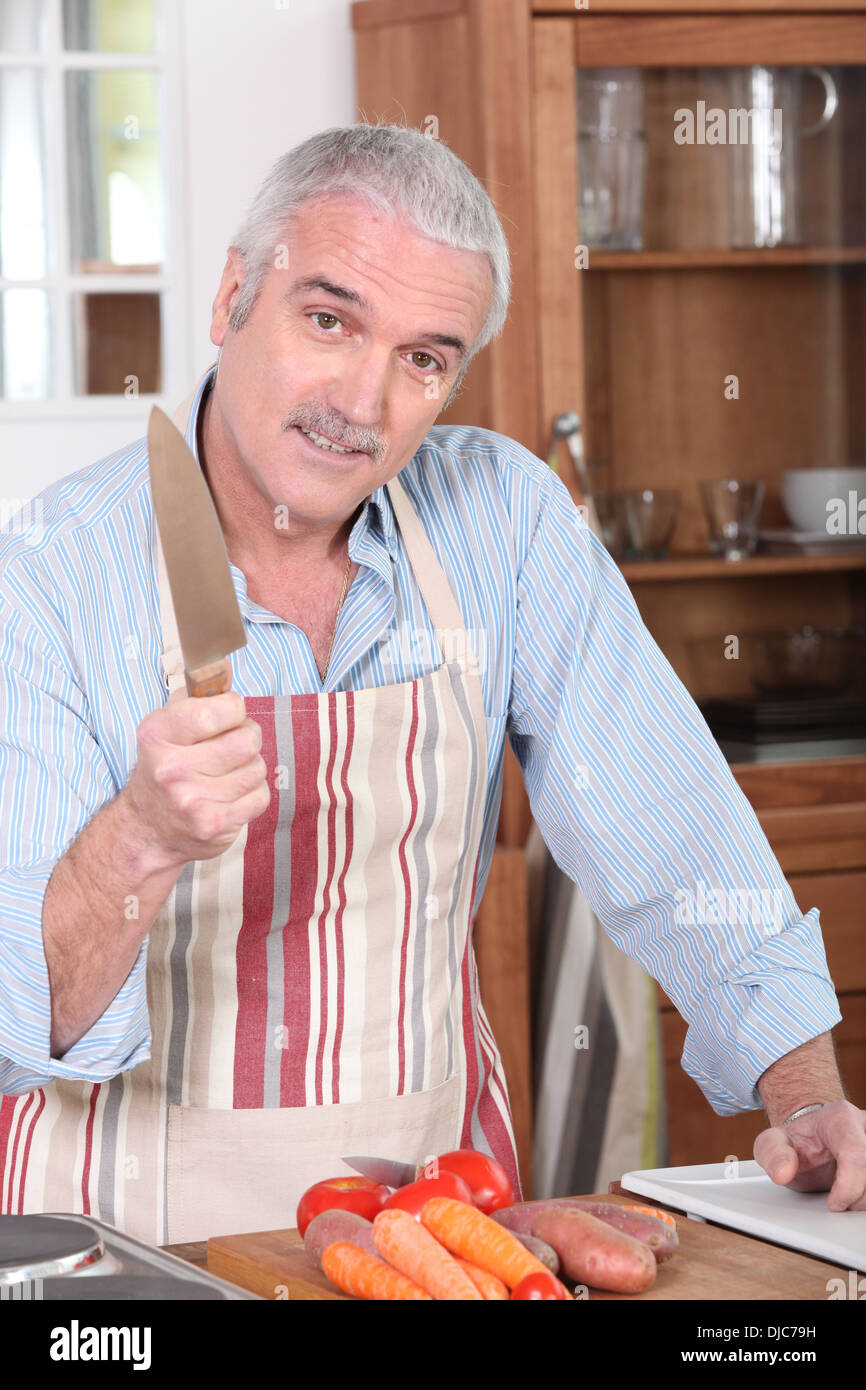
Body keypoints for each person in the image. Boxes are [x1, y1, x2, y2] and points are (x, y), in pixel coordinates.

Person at [0, 124, 862, 1245]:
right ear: (230, 299)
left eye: (423, 357)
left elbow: (673, 830)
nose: (361, 400)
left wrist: (802, 1093)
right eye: (328, 319)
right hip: (122, 1245)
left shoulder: (501, 519)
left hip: (437, 1219)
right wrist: (141, 838)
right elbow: (26, 1019)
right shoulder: (52, 575)